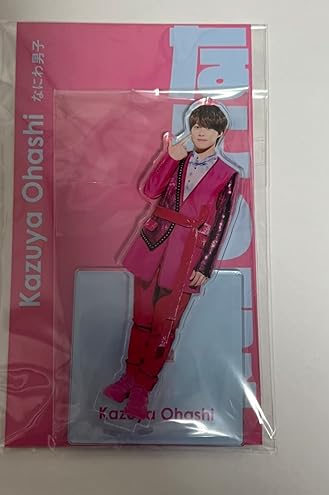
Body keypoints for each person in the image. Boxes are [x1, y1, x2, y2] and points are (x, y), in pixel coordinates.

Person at [103, 100, 239, 420]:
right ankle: (128, 377)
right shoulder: (177, 159)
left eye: (208, 128)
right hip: (152, 244)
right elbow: (150, 190)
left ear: (220, 133)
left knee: (165, 326)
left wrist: (205, 265)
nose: (201, 132)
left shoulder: (227, 173)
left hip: (187, 254)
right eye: (197, 126)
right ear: (190, 129)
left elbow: (221, 222)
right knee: (141, 318)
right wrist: (169, 157)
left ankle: (143, 388)